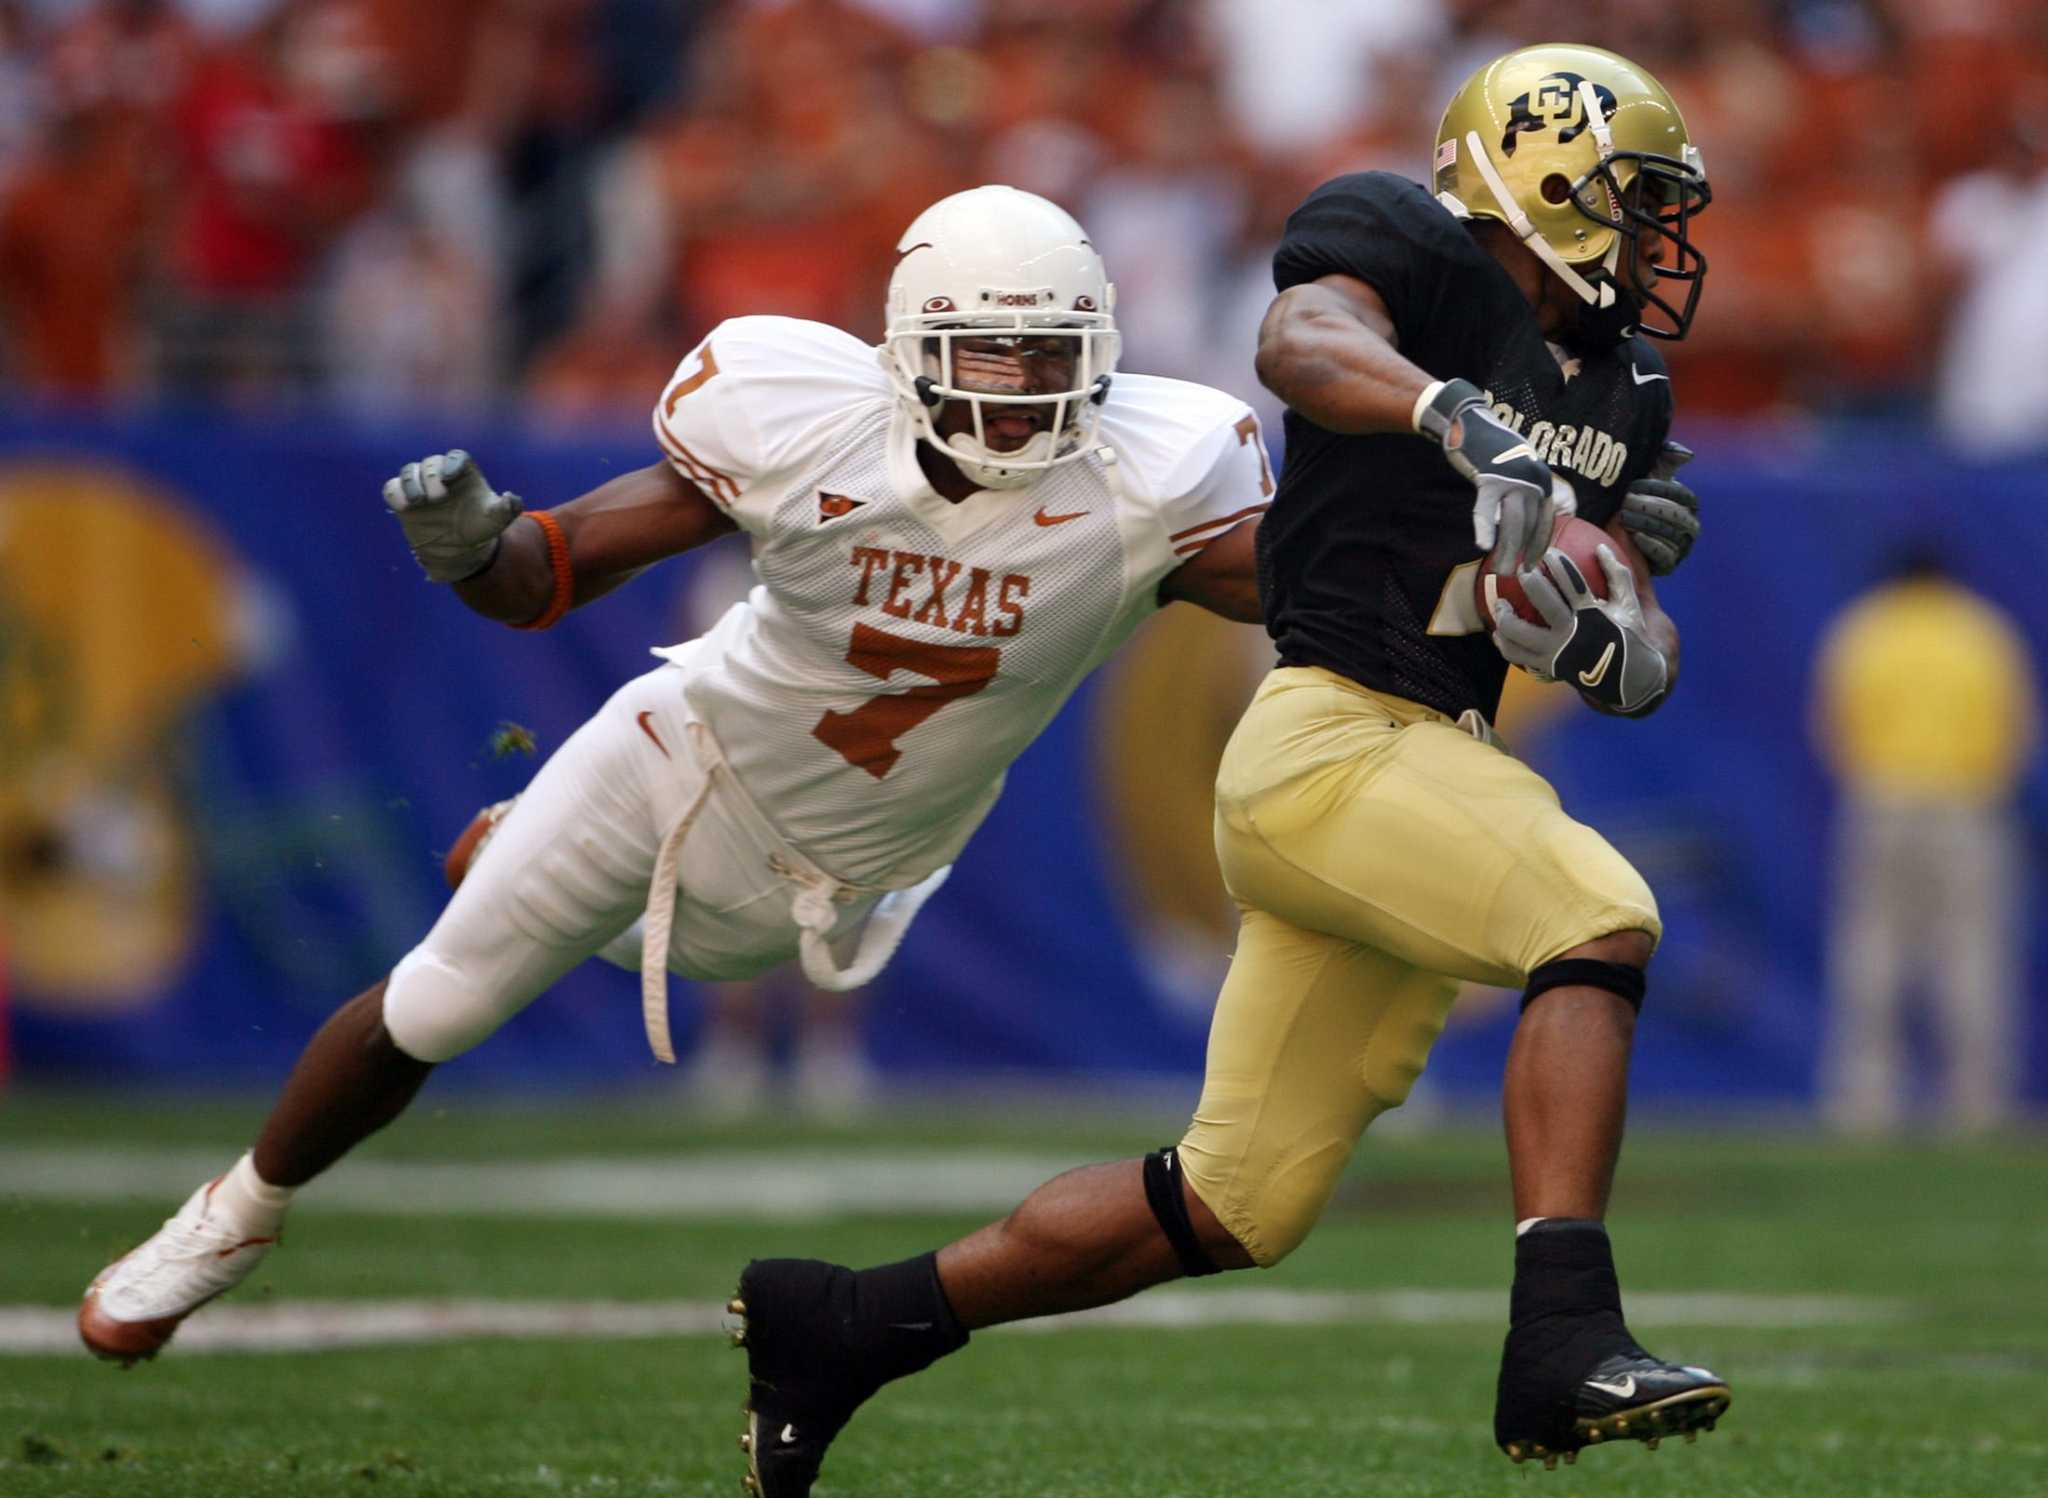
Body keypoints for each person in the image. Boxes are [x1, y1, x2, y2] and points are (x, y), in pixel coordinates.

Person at [722, 44, 1726, 1498]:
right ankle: (1562, 1332)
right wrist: (1453, 413)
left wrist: (1613, 637)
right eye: (1636, 205)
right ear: (1547, 178)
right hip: (1323, 742)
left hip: (1422, 763)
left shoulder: (1620, 384)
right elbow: (1302, 340)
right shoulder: (1409, 250)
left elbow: (1633, 631)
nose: (1656, 245)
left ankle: (845, 1323)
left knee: (1230, 1199)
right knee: (1598, 910)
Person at [74, 184, 1272, 1362]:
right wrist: (481, 554)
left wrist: (1445, 578)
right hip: (683, 755)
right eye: (985, 356)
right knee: (438, 1000)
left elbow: (1321, 593)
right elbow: (556, 572)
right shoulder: (801, 417)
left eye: (1046, 356)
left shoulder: (1149, 481)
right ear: (911, 345)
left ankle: (527, 851)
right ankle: (230, 1217)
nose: (1018, 397)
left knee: (671, 935)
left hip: (849, 870)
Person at [1811, 544, 2039, 1136]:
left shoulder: (1865, 629)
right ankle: (1977, 1102)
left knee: (1873, 951)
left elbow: (1833, 726)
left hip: (1881, 798)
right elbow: (2020, 729)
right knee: (1971, 952)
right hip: (1968, 803)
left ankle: (1865, 1101)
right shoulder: (1981, 631)